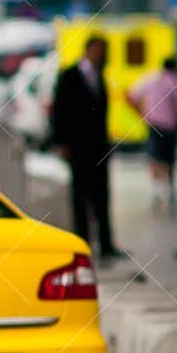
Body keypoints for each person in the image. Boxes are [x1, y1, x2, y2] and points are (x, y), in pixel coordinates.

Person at [49, 35, 125, 260]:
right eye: (100, 51)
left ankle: (106, 243)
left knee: (102, 195)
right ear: (90, 50)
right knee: (80, 196)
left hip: (99, 148)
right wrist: (61, 142)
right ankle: (83, 242)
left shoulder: (100, 76)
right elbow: (59, 110)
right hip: (78, 148)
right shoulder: (69, 75)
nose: (103, 56)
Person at [126, 57, 177, 209]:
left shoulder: (150, 78)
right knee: (170, 158)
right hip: (170, 126)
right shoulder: (174, 80)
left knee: (154, 157)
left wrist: (141, 114)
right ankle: (169, 188)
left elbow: (130, 95)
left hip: (153, 124)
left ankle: (156, 190)